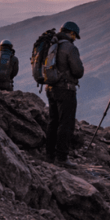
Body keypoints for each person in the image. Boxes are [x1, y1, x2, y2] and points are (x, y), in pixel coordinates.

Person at [44, 21, 84, 168]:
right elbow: (78, 71)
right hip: (66, 89)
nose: (75, 38)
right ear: (71, 33)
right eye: (74, 35)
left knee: (53, 121)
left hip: (50, 88)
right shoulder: (69, 48)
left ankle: (49, 156)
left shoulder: (51, 45)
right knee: (66, 123)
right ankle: (62, 157)